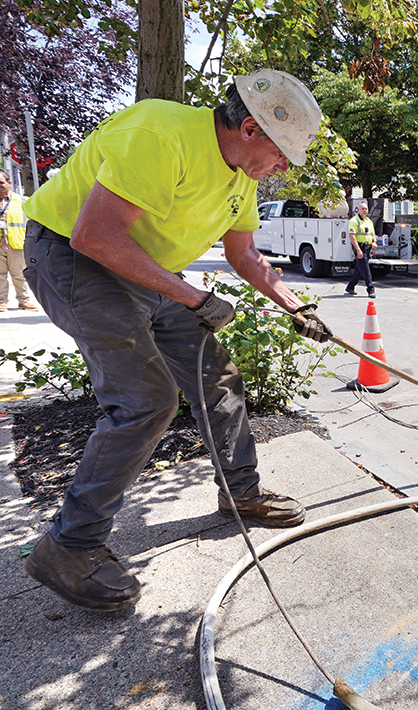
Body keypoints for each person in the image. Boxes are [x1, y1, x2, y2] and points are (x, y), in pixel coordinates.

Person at [20, 68, 333, 612]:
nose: (284, 167)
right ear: (252, 129)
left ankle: (242, 491)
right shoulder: (161, 134)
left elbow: (244, 256)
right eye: (283, 154)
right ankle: (69, 545)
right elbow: (94, 235)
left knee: (217, 377)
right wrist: (192, 297)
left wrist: (295, 306)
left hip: (145, 270)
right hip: (73, 256)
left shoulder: (241, 177)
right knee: (146, 400)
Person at [0, 171, 37, 312]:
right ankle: (1, 301)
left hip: (16, 243)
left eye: (1, 182)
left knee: (20, 274)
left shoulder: (23, 200)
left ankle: (24, 300)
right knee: (0, 275)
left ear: (9, 183)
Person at [345, 201, 376, 298]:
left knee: (360, 268)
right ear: (358, 210)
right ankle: (370, 289)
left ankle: (350, 287)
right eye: (362, 208)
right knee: (366, 268)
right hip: (359, 247)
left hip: (367, 248)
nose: (365, 210)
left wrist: (374, 242)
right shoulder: (354, 221)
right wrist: (358, 250)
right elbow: (352, 236)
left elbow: (373, 235)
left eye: (366, 208)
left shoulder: (369, 222)